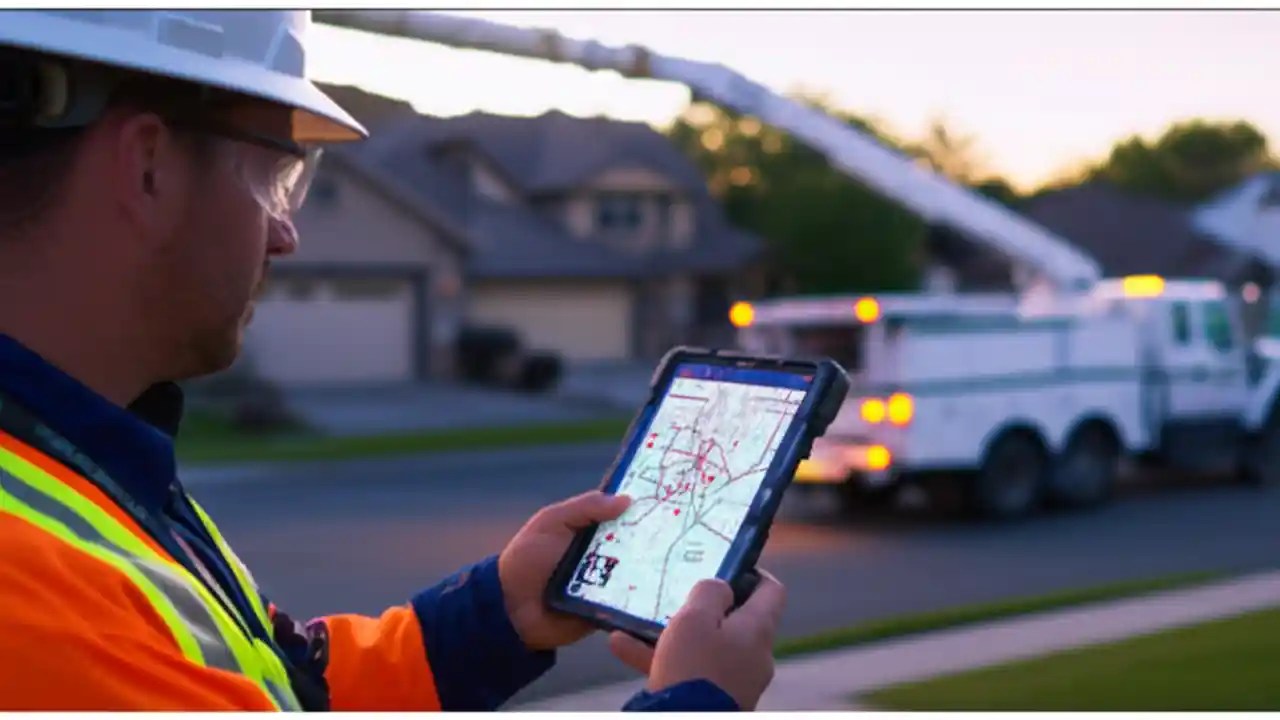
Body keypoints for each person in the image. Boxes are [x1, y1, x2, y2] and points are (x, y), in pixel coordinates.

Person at [0, 9, 786, 712]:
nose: (285, 233)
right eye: (275, 175)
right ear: (149, 165)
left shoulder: (78, 468)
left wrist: (495, 618)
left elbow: (279, 689)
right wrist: (696, 701)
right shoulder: (33, 599)